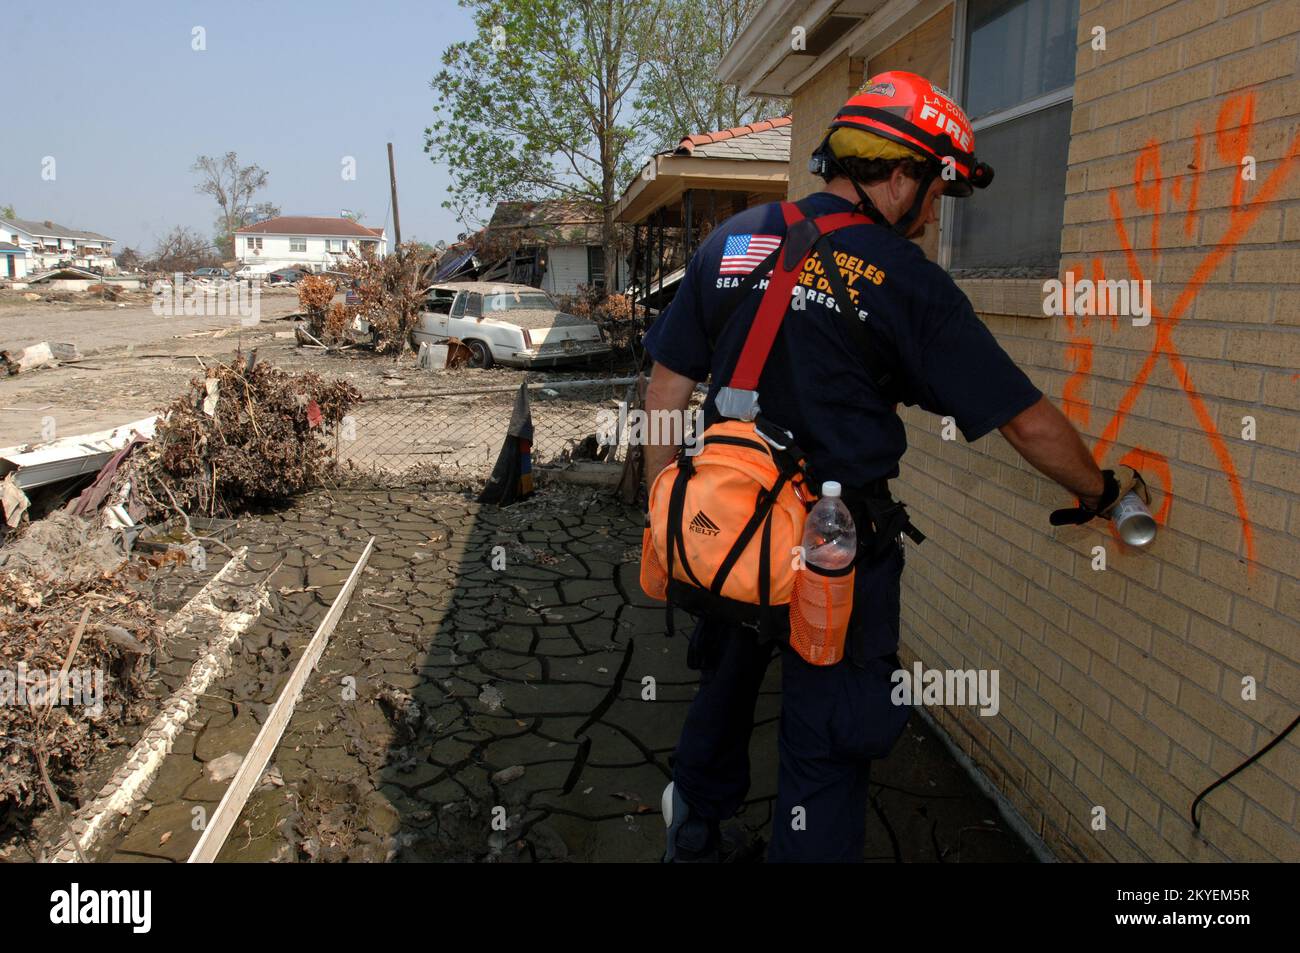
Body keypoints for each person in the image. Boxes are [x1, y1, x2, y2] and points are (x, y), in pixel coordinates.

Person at [641, 71, 1142, 863]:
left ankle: (693, 836)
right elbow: (1025, 421)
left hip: (724, 526)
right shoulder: (907, 283)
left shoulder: (732, 241)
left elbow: (666, 386)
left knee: (724, 691)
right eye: (936, 190)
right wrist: (1102, 491)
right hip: (833, 553)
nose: (933, 214)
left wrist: (666, 514)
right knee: (828, 742)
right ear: (901, 173)